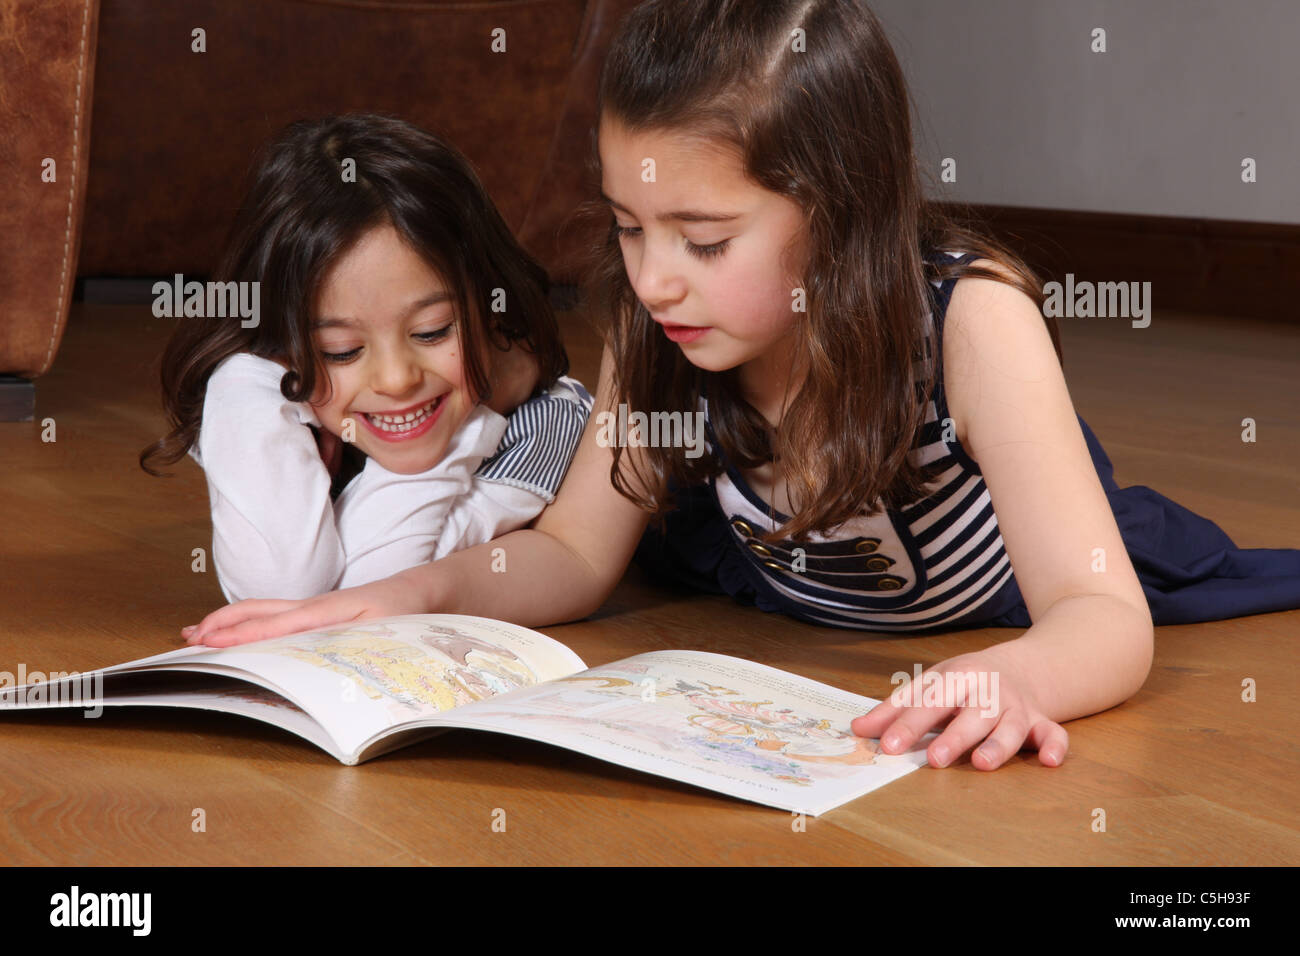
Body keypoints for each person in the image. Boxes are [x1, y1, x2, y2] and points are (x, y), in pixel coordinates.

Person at [177, 1, 1300, 773]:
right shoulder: (658, 324)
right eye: (628, 227)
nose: (654, 277)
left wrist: (1012, 678)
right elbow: (572, 552)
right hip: (783, 568)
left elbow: (1101, 616)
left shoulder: (972, 322)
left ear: (840, 212)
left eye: (705, 240)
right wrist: (406, 596)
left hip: (994, 598)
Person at [140, 113, 591, 603]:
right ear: (280, 351)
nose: (396, 380)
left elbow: (362, 588)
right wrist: (240, 377)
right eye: (342, 351)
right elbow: (272, 583)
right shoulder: (271, 388)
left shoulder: (545, 426)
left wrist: (477, 413)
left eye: (432, 331)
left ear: (490, 309)